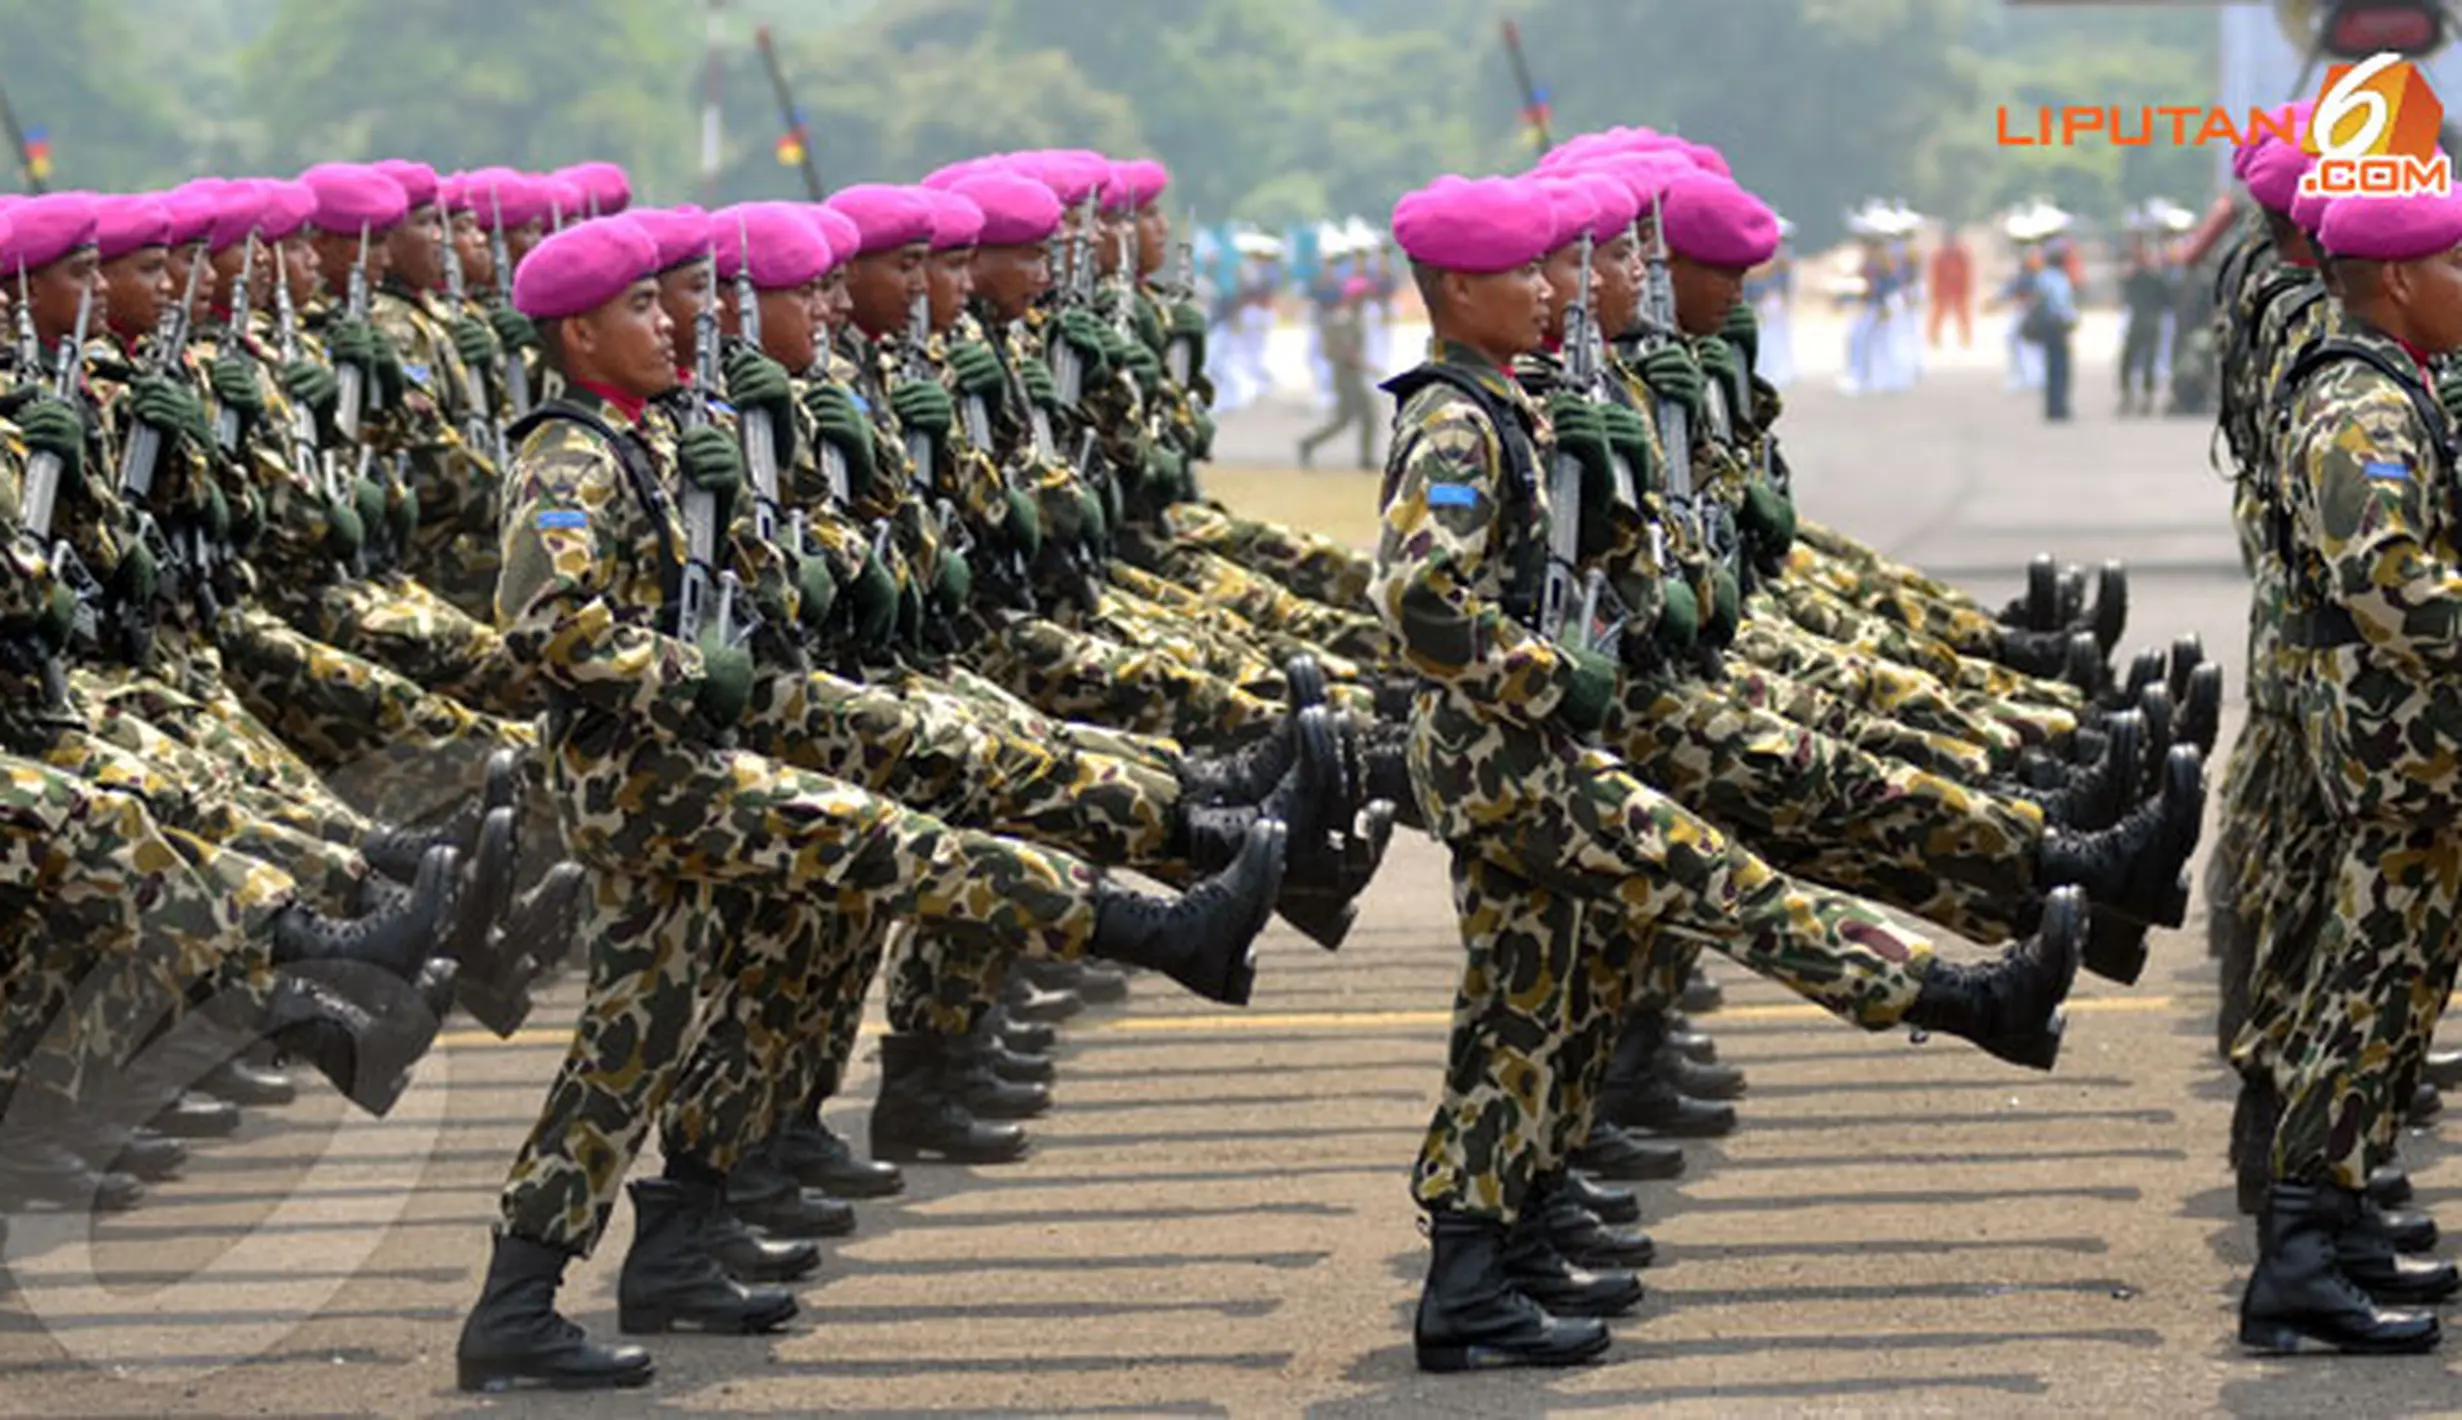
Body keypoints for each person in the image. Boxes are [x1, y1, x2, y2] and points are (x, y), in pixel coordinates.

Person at [1372, 171, 2083, 1375]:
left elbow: (1572, 575)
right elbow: (1416, 606)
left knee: (1530, 1006)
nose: (1552, 292)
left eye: (1553, 270)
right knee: (1722, 885)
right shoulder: (1451, 422)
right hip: (1508, 758)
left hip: (1529, 753)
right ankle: (1956, 998)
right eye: (1524, 275)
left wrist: (1608, 503)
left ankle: (1491, 1258)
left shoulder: (1513, 405)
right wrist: (1556, 681)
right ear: (1453, 288)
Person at [2236, 183, 2462, 1358]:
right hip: (2393, 750)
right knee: (2363, 990)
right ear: (2394, 281)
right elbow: (2383, 580)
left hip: (2415, 751)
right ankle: (2300, 1258)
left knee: (2395, 988)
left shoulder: (2398, 383)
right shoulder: (2358, 403)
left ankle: (2342, 1222)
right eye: (2455, 265)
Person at [1297, 275, 1376, 470]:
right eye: (1363, 297)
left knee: (1345, 420)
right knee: (1367, 417)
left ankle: (1308, 444)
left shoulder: (1348, 317)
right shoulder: (1344, 319)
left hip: (1347, 375)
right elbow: (1340, 349)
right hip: (1346, 376)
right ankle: (1364, 459)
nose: (1365, 301)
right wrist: (1363, 364)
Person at [2118, 233, 2173, 416]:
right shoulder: (2153, 276)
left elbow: (2126, 293)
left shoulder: (2137, 276)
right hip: (2149, 320)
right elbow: (2167, 300)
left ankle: (2135, 397)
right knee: (2141, 360)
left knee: (2133, 360)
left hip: (2141, 320)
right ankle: (2139, 397)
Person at [2030, 237, 2079, 422]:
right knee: (2061, 368)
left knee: (2051, 368)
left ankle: (2052, 407)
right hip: (2058, 327)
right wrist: (2071, 320)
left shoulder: (2043, 276)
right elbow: (2061, 304)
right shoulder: (2059, 278)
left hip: (2047, 327)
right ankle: (2059, 408)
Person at [1929, 228, 1973, 348]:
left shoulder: (1961, 254)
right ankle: (1934, 338)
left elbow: (1967, 273)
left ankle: (1966, 338)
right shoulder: (1939, 255)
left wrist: (1966, 289)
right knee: (1937, 315)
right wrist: (1935, 291)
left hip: (1958, 289)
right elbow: (1935, 275)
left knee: (1963, 316)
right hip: (1943, 289)